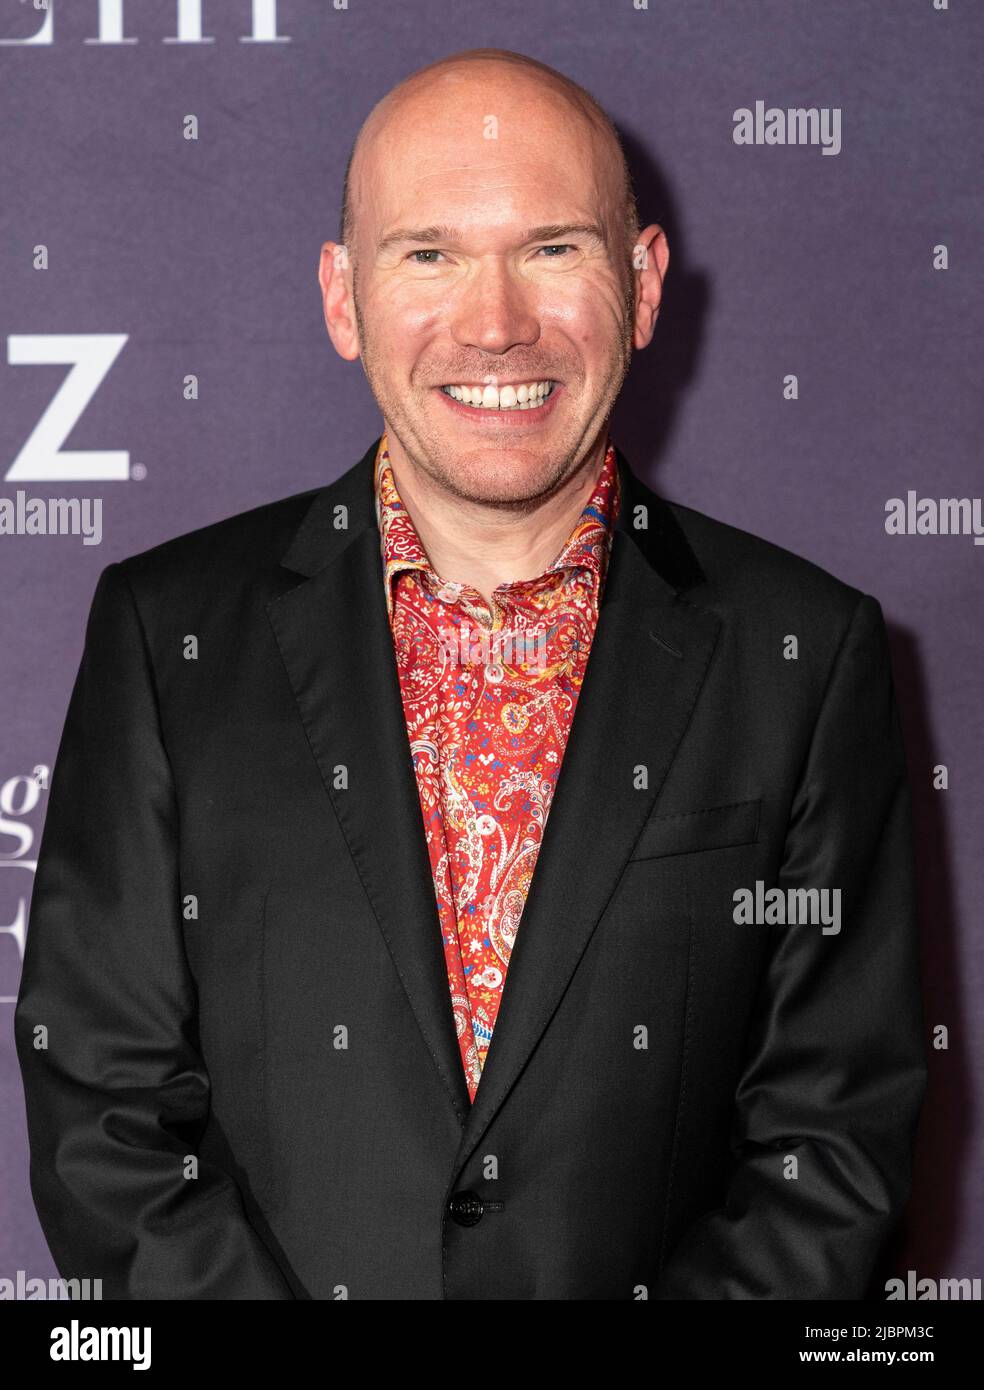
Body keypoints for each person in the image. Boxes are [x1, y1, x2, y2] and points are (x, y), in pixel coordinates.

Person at [15, 47, 926, 1300]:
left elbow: (831, 1141)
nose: (495, 323)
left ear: (645, 284)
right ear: (343, 298)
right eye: (427, 254)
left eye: (554, 249)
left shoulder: (804, 657)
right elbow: (102, 1105)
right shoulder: (169, 636)